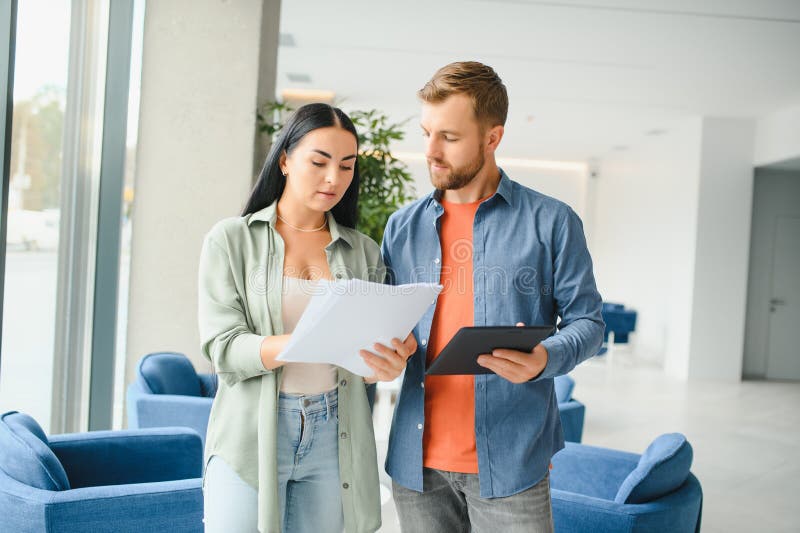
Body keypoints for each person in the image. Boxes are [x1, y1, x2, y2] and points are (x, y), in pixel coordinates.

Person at [381, 62, 605, 532]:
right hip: (415, 466)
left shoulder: (552, 222)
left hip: (511, 463)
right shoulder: (402, 227)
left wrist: (545, 356)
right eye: (426, 133)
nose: (431, 152)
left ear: (492, 138)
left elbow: (589, 322)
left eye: (450, 137)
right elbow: (386, 327)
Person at [198, 103, 417, 533]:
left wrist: (388, 362)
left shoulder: (363, 251)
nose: (334, 178)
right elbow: (222, 347)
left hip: (335, 434)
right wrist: (303, 340)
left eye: (347, 166)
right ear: (284, 160)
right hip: (250, 435)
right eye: (319, 162)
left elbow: (364, 362)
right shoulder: (231, 240)